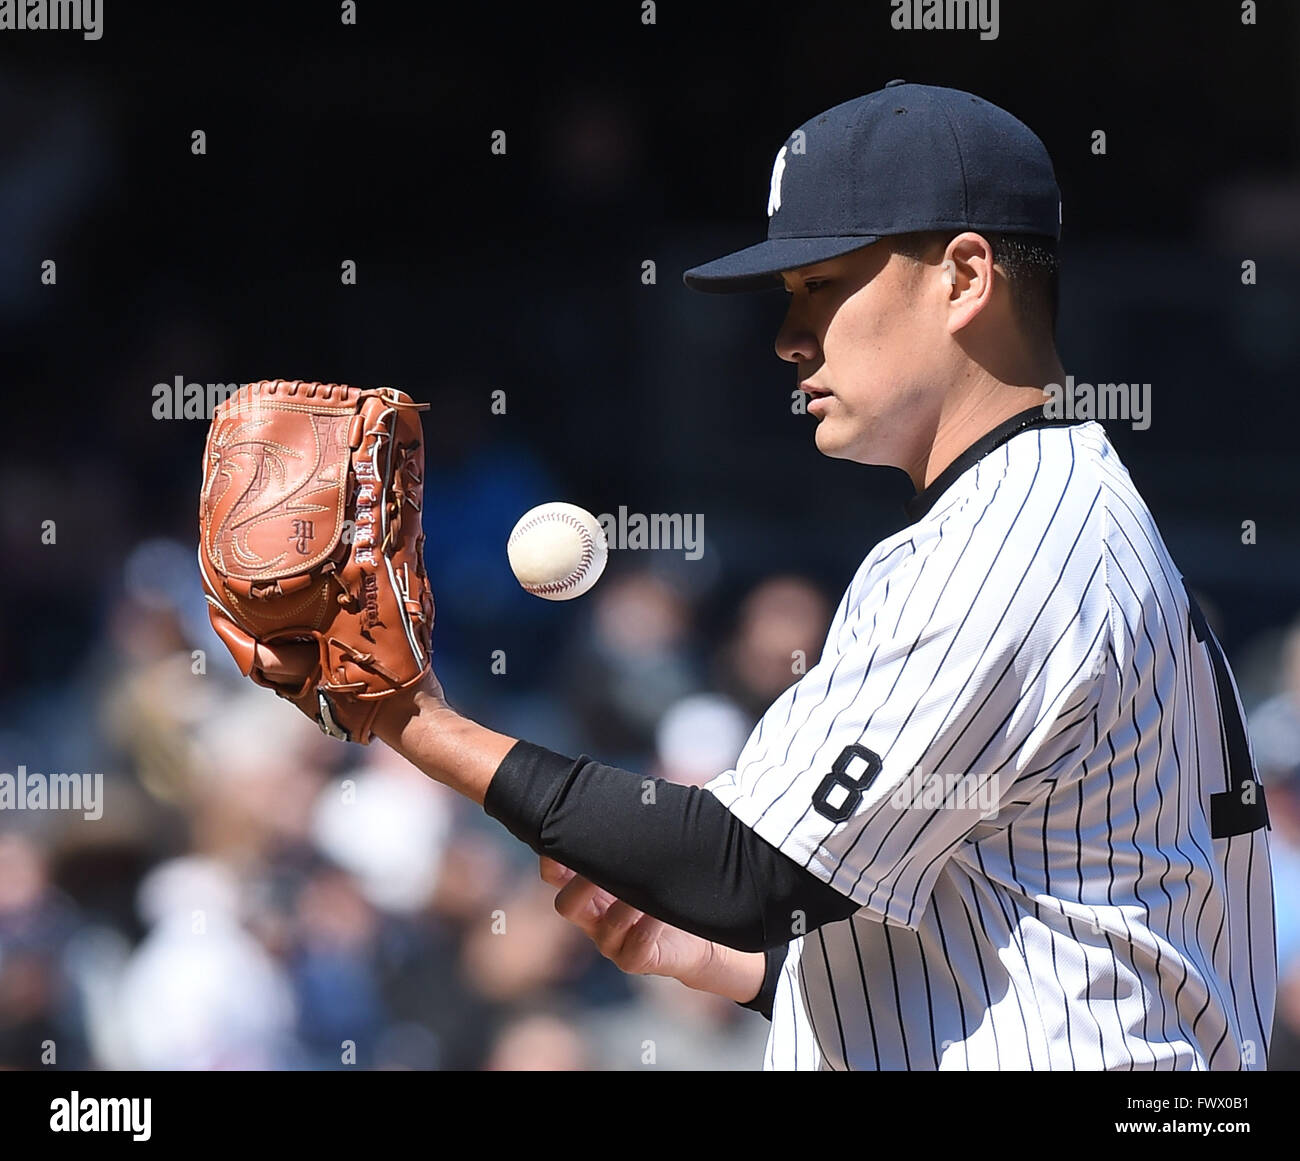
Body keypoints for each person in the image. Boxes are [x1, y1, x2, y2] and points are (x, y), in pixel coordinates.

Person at [255, 82, 1275, 1070]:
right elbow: (1013, 939)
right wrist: (732, 963)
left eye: (821, 286)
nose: (788, 338)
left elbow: (743, 867)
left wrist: (407, 718)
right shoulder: (1064, 509)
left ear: (964, 277)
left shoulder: (1017, 539)